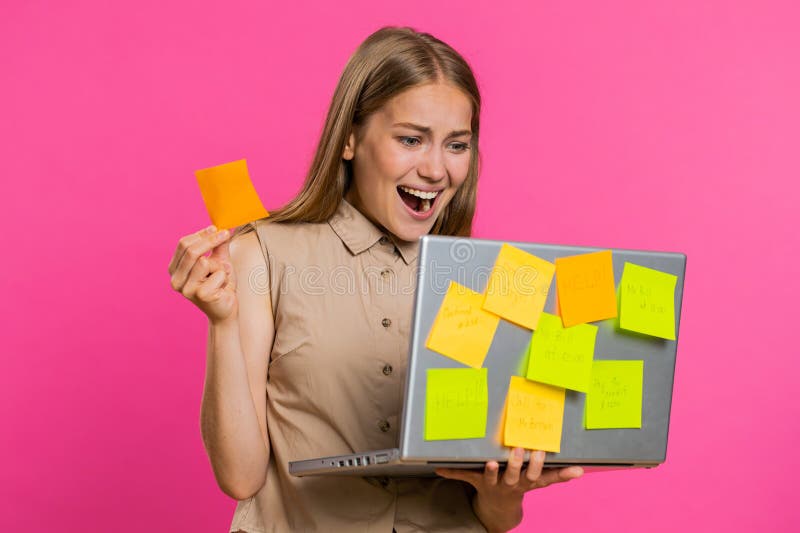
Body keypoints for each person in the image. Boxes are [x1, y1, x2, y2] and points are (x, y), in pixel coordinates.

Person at [168, 26, 583, 533]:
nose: (435, 169)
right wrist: (223, 322)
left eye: (457, 145)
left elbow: (495, 517)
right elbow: (240, 477)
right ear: (350, 138)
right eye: (410, 139)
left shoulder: (490, 279)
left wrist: (505, 492)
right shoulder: (262, 253)